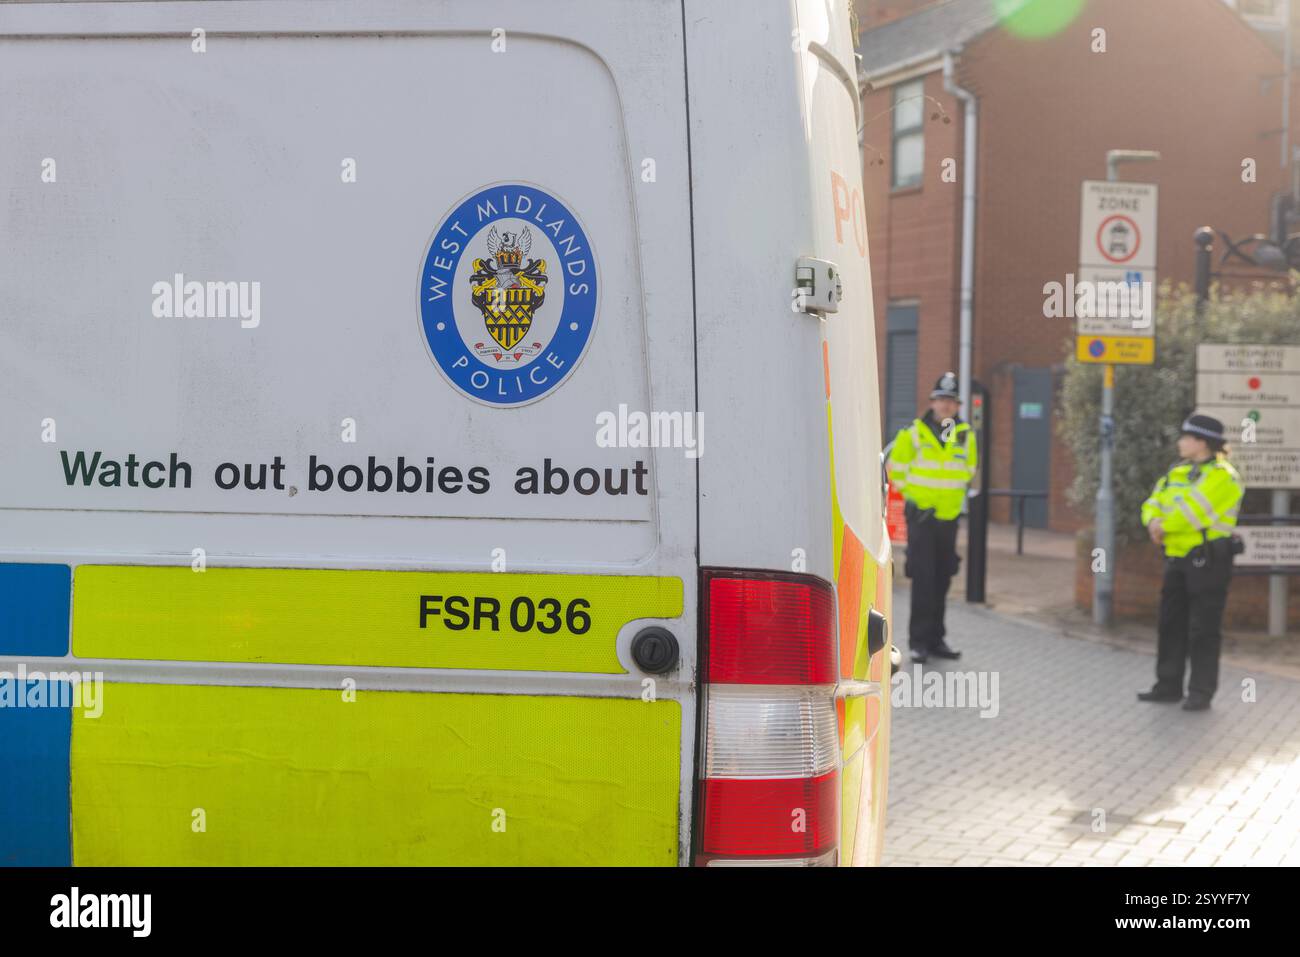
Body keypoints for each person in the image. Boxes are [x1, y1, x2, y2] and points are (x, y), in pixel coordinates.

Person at [1138, 414, 1245, 712]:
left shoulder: (1224, 476)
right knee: (1170, 624)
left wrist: (1162, 526)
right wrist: (1152, 521)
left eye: (1185, 437)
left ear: (1202, 442)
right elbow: (1152, 502)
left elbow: (1194, 513)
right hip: (1176, 558)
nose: (1179, 442)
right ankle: (1168, 686)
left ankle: (1200, 692)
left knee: (1203, 629)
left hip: (1207, 560)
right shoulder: (1177, 472)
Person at [886, 372, 978, 664]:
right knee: (923, 580)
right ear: (933, 403)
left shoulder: (965, 435)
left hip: (948, 519)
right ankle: (918, 642)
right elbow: (894, 469)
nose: (946, 406)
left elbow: (968, 471)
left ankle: (937, 639)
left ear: (957, 406)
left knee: (943, 579)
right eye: (942, 400)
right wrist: (917, 499)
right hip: (922, 519)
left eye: (951, 401)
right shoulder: (914, 434)